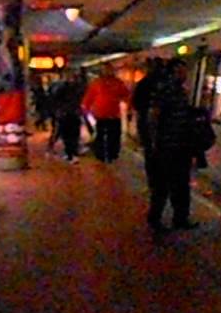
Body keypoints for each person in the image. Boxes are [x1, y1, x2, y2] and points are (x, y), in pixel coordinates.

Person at [146, 60, 200, 236]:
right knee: (165, 184)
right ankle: (157, 219)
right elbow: (154, 116)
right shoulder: (166, 90)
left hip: (180, 144)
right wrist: (154, 142)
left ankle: (179, 217)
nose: (184, 75)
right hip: (167, 145)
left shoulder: (180, 91)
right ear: (172, 73)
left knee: (180, 183)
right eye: (181, 72)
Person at [81, 66, 131, 163]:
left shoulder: (116, 83)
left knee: (113, 135)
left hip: (113, 114)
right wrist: (86, 108)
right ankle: (102, 155)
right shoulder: (98, 83)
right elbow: (88, 98)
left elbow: (126, 95)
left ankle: (111, 155)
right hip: (101, 115)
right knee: (103, 135)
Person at [131, 57, 165, 187]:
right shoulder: (168, 83)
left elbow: (136, 103)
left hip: (146, 123)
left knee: (150, 152)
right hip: (165, 126)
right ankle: (162, 179)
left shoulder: (143, 83)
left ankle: (153, 181)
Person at [49, 75, 84, 163]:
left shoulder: (61, 88)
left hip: (65, 114)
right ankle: (73, 153)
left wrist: (57, 111)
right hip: (73, 113)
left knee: (67, 134)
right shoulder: (79, 89)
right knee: (73, 134)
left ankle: (70, 153)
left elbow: (55, 100)